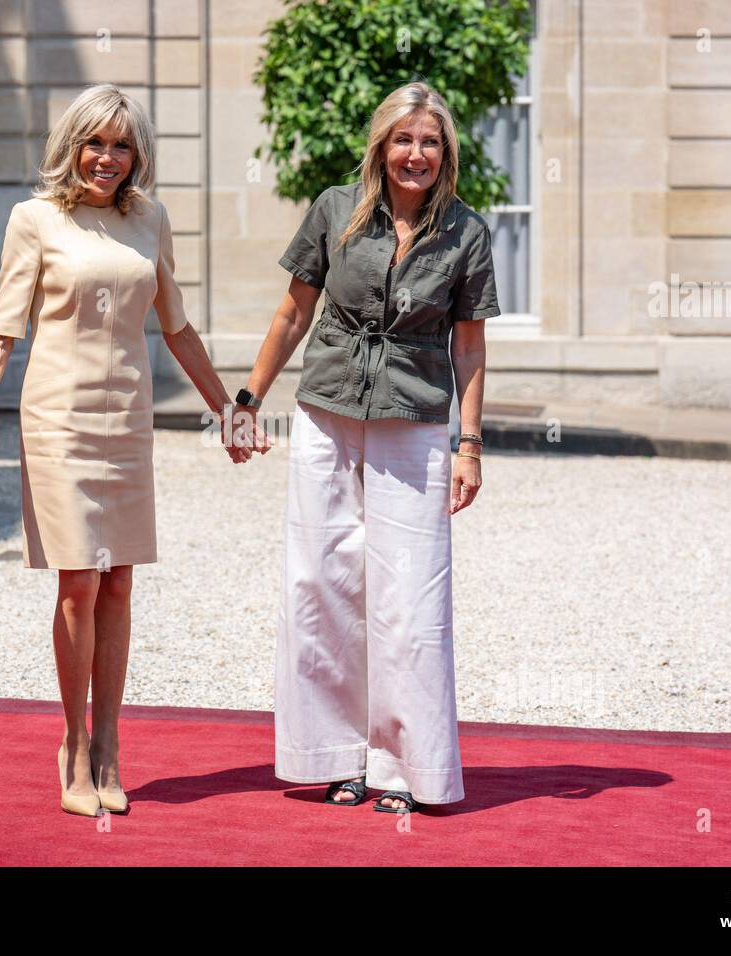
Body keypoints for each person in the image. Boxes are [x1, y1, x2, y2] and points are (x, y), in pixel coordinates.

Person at [0, 84, 259, 817]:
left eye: (122, 145)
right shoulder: (35, 219)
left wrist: (226, 410)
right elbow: (3, 329)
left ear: (137, 155)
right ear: (71, 145)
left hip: (125, 421)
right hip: (57, 419)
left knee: (119, 584)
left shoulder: (150, 220)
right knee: (77, 580)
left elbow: (177, 328)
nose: (108, 158)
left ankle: (110, 743)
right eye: (96, 142)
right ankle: (73, 744)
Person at [232, 81, 499, 813]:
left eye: (431, 141)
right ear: (381, 144)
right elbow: (293, 315)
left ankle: (404, 767)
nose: (416, 153)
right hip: (326, 413)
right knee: (321, 584)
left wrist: (468, 445)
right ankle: (338, 756)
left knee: (410, 597)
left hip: (413, 423)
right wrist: (248, 399)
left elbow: (470, 347)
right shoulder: (332, 209)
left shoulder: (467, 233)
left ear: (445, 153)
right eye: (404, 139)